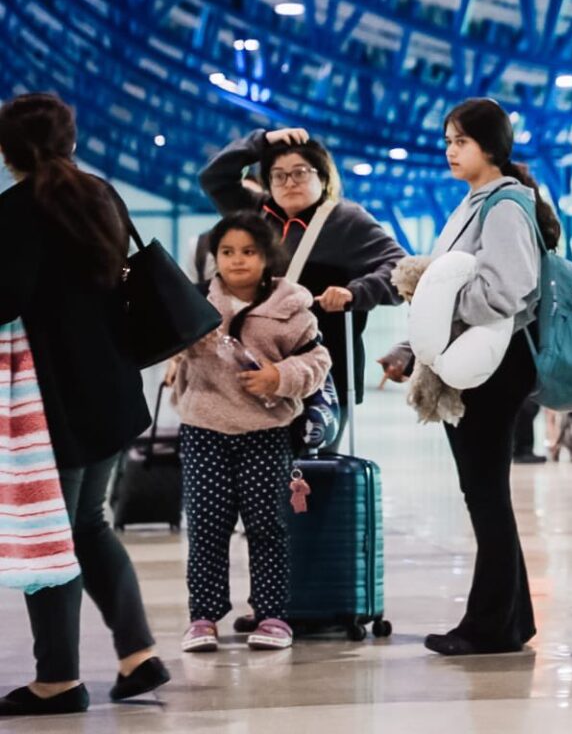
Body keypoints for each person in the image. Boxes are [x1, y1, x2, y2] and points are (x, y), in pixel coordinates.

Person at [0, 93, 167, 716]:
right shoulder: (101, 195)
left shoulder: (18, 211)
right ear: (70, 140)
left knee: (51, 534)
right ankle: (136, 655)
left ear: (9, 150)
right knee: (88, 524)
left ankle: (58, 680)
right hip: (113, 389)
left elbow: (7, 293)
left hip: (53, 399)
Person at [379, 98, 563, 655]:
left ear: (491, 144)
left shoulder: (505, 203)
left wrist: (447, 304)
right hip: (473, 361)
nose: (450, 150)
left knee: (485, 494)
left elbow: (506, 291)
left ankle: (489, 626)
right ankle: (511, 620)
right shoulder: (475, 202)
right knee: (485, 494)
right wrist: (412, 348)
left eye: (460, 140)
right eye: (448, 141)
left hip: (495, 365)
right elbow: (441, 293)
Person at [171, 213, 332, 655]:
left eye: (248, 252)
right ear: (213, 258)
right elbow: (168, 346)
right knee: (206, 527)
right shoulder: (197, 303)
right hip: (204, 428)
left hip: (266, 431)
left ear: (266, 257)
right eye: (227, 252)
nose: (237, 261)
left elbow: (318, 362)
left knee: (268, 526)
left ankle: (272, 615)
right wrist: (179, 351)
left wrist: (279, 376)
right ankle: (203, 618)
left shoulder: (291, 308)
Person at [200, 127, 404, 406]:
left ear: (322, 176)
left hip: (321, 375)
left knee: (316, 450)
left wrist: (356, 293)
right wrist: (262, 142)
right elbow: (214, 178)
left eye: (300, 172)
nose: (289, 182)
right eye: (279, 175)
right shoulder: (256, 213)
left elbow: (400, 268)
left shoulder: (345, 220)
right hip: (256, 368)